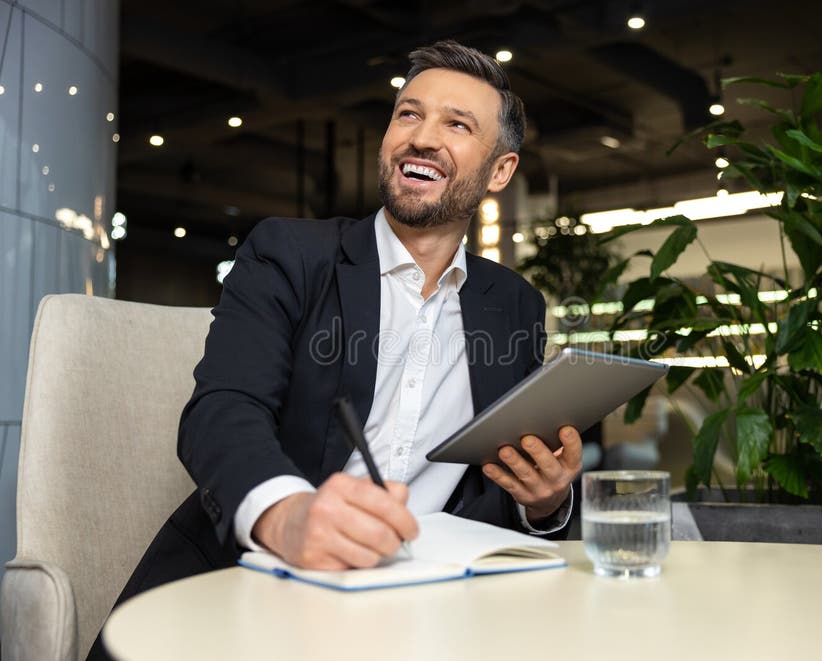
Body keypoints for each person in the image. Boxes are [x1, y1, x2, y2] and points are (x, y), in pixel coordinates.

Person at [87, 40, 582, 659]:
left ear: (500, 171)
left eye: (456, 124)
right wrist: (287, 515)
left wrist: (547, 500)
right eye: (408, 113)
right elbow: (221, 411)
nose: (421, 137)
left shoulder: (513, 305)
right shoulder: (289, 255)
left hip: (432, 611)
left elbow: (502, 477)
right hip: (250, 586)